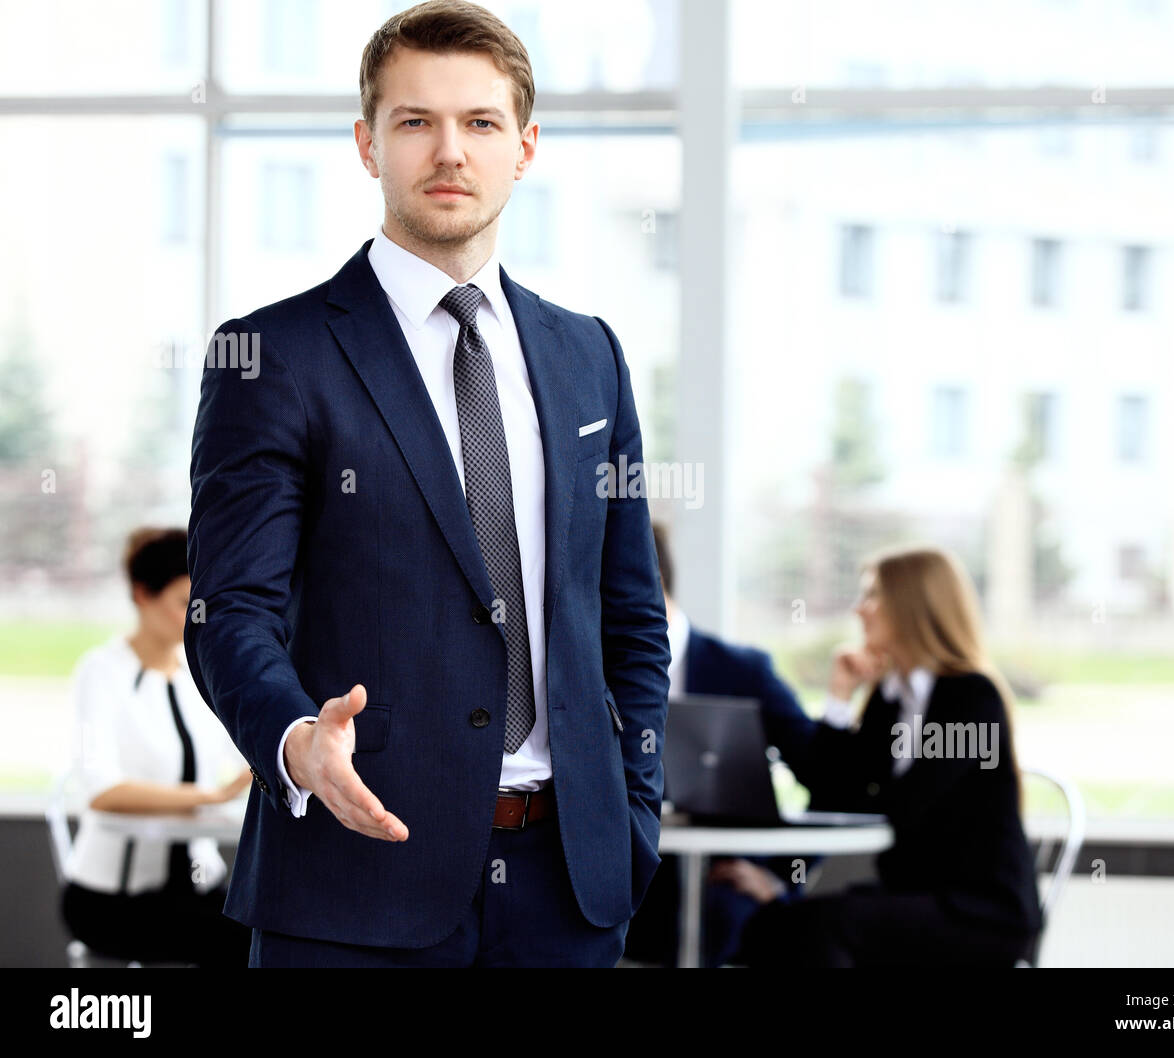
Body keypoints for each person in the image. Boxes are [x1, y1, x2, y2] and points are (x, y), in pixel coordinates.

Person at [184, 0, 669, 967]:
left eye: (480, 123)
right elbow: (231, 608)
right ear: (368, 144)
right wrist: (292, 742)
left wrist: (634, 808)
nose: (450, 151)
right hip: (354, 879)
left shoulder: (589, 356)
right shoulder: (273, 355)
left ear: (524, 147)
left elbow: (629, 613)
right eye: (416, 122)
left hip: (569, 888)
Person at [732, 545, 1043, 967]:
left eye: (873, 596)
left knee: (812, 927)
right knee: (768, 927)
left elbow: (906, 806)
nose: (859, 610)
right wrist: (840, 697)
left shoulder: (972, 697)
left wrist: (854, 794)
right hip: (915, 898)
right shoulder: (891, 699)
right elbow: (833, 789)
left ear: (914, 606)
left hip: (981, 910)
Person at [624, 522, 823, 967]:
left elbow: (825, 775)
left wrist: (781, 877)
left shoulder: (743, 671)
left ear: (644, 581)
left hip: (720, 889)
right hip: (624, 883)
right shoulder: (588, 676)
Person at [59, 528, 254, 967]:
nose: (196, 617)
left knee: (277, 925)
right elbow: (102, 791)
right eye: (184, 603)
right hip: (114, 899)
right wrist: (210, 796)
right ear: (143, 594)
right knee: (240, 943)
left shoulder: (195, 676)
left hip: (196, 886)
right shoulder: (102, 672)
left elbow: (241, 755)